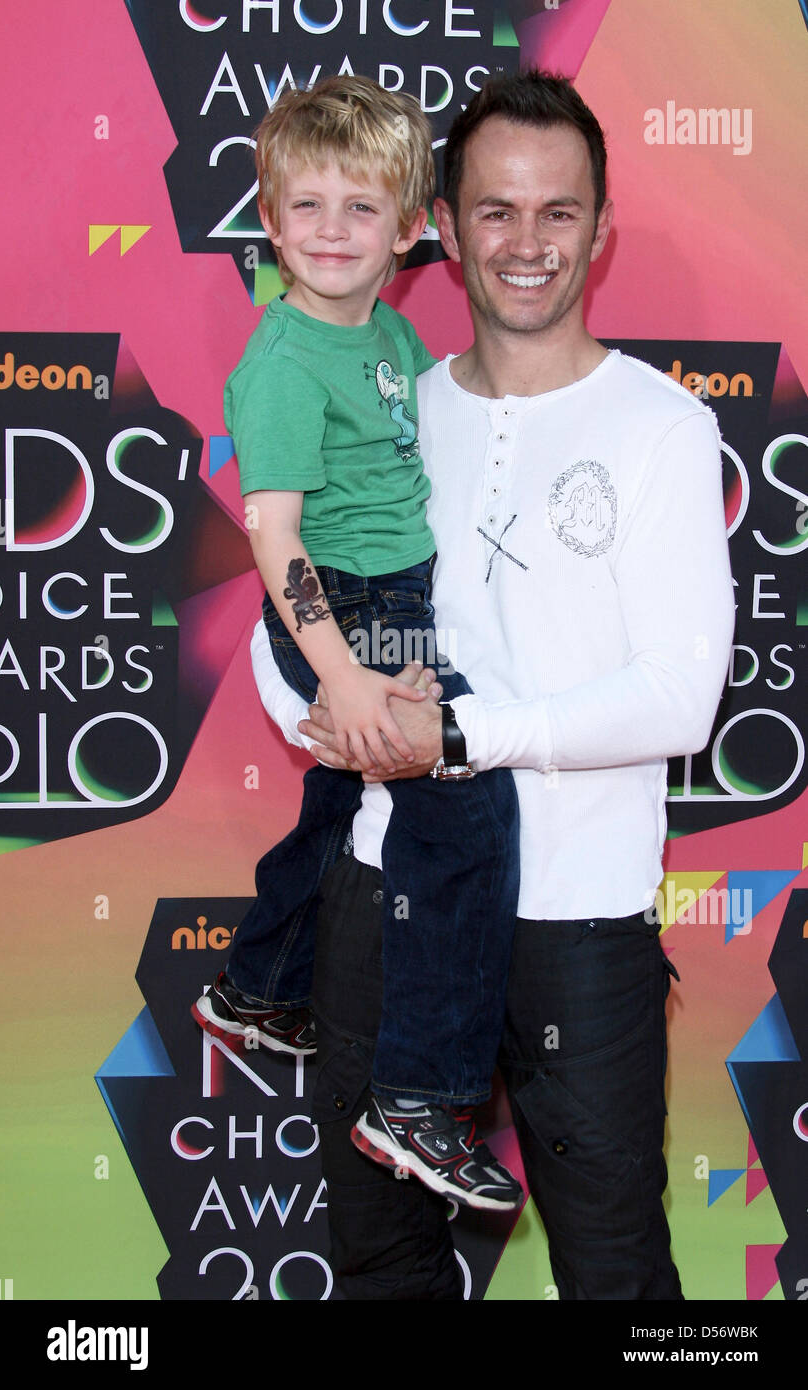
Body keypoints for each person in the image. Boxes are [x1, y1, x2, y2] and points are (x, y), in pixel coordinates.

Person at [251, 70, 736, 1299]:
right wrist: (345, 719)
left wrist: (456, 737)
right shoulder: (384, 404)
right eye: (496, 211)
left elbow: (681, 698)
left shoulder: (662, 427)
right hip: (384, 902)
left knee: (617, 1269)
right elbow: (283, 616)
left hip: (579, 920)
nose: (526, 244)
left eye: (557, 213)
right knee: (381, 1261)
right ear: (445, 229)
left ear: (600, 228)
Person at [192, 76, 524, 1213]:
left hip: (396, 602)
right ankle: (420, 1096)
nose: (333, 231)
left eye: (361, 209)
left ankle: (256, 985)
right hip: (339, 607)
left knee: (344, 807)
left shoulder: (383, 330)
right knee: (467, 817)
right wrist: (341, 670)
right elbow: (272, 529)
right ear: (269, 220)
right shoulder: (284, 361)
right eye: (309, 207)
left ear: (409, 228)